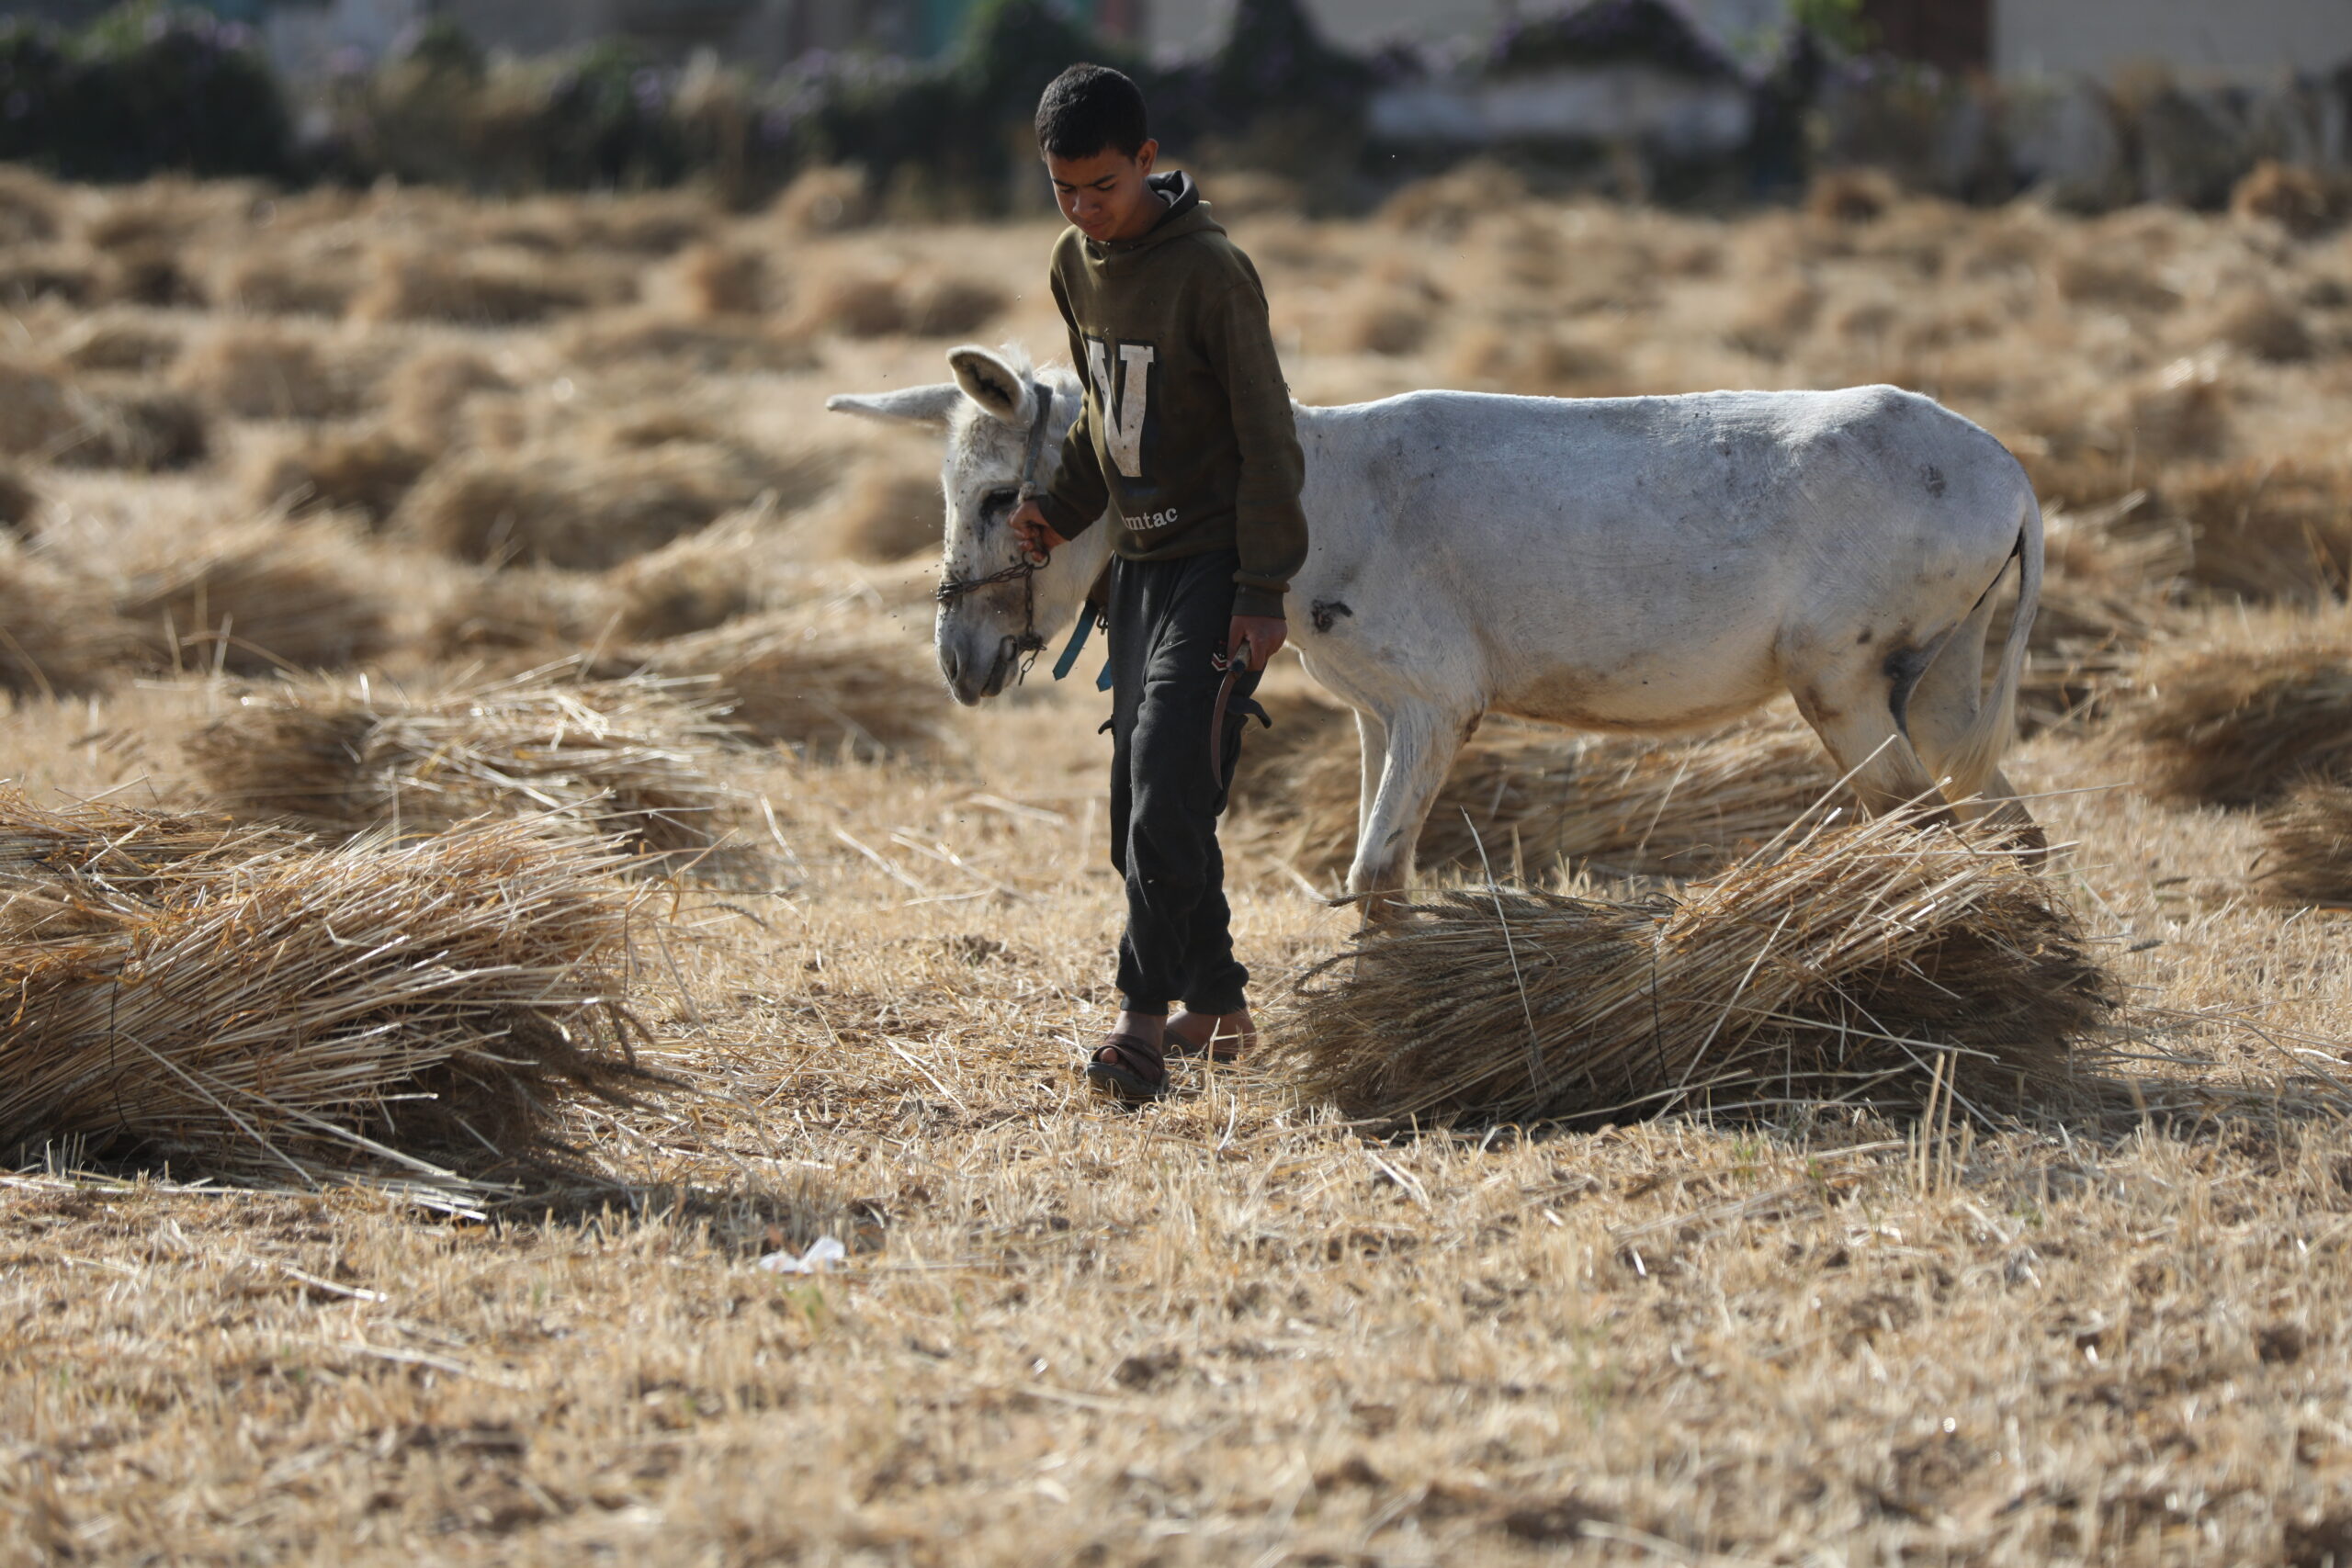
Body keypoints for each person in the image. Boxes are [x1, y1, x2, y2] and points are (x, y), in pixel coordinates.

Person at [1007, 62, 1308, 1103]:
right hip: (1135, 570)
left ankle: (1137, 1025)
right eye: (1064, 190)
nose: (1085, 208)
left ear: (1148, 160)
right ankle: (1218, 1003)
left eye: (1103, 185)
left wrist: (1263, 589)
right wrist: (1061, 502)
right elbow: (1103, 409)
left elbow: (1270, 440)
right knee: (1143, 799)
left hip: (1218, 566)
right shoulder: (1072, 263)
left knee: (1167, 786)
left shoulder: (1213, 274)